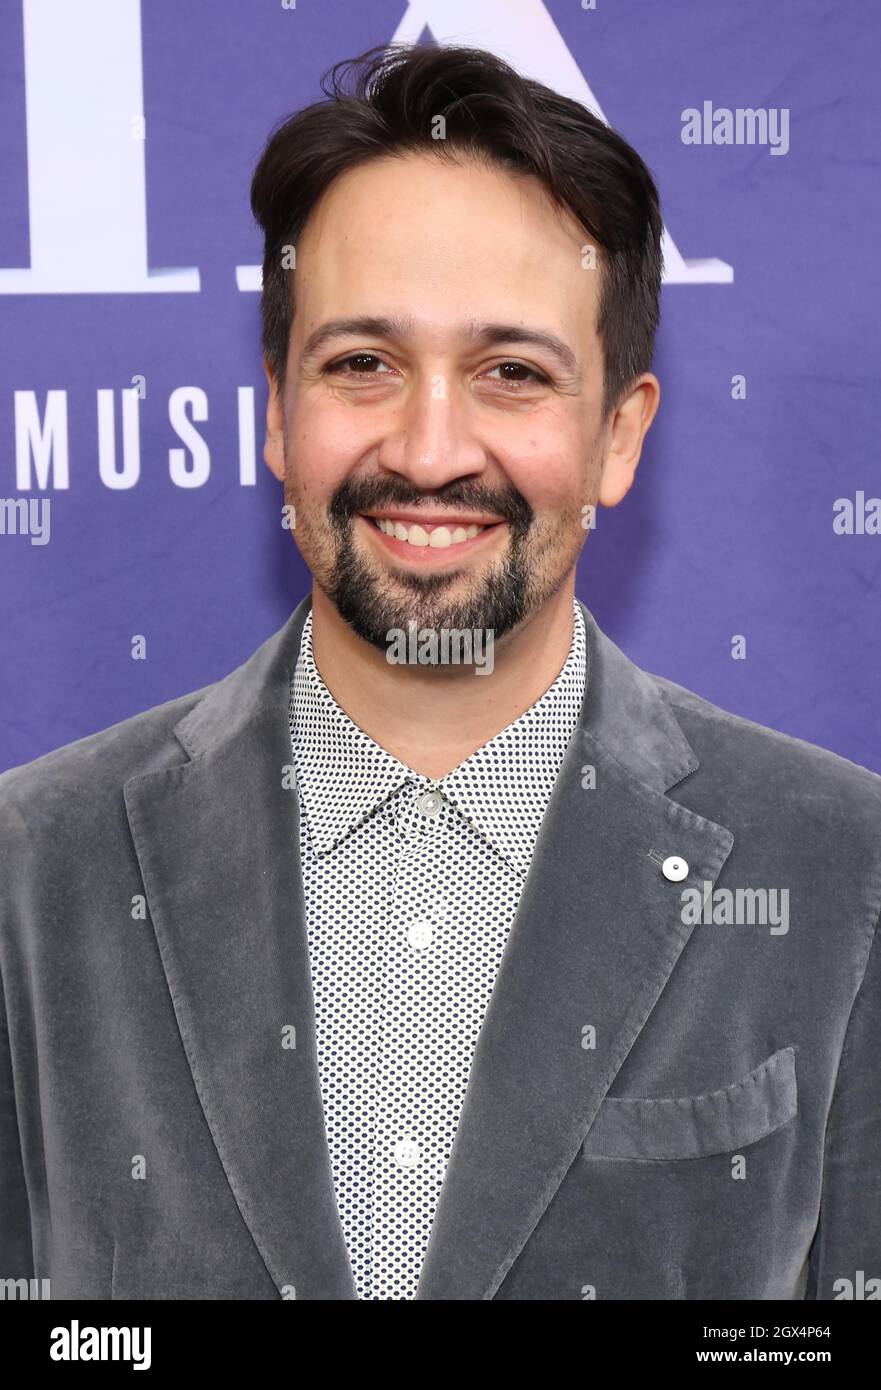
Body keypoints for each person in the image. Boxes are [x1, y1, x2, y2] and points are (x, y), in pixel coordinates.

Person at [1, 43, 879, 1302]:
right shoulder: (33, 870)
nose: (425, 450)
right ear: (274, 410)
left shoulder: (840, 867)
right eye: (361, 362)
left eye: (509, 373)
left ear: (615, 435)